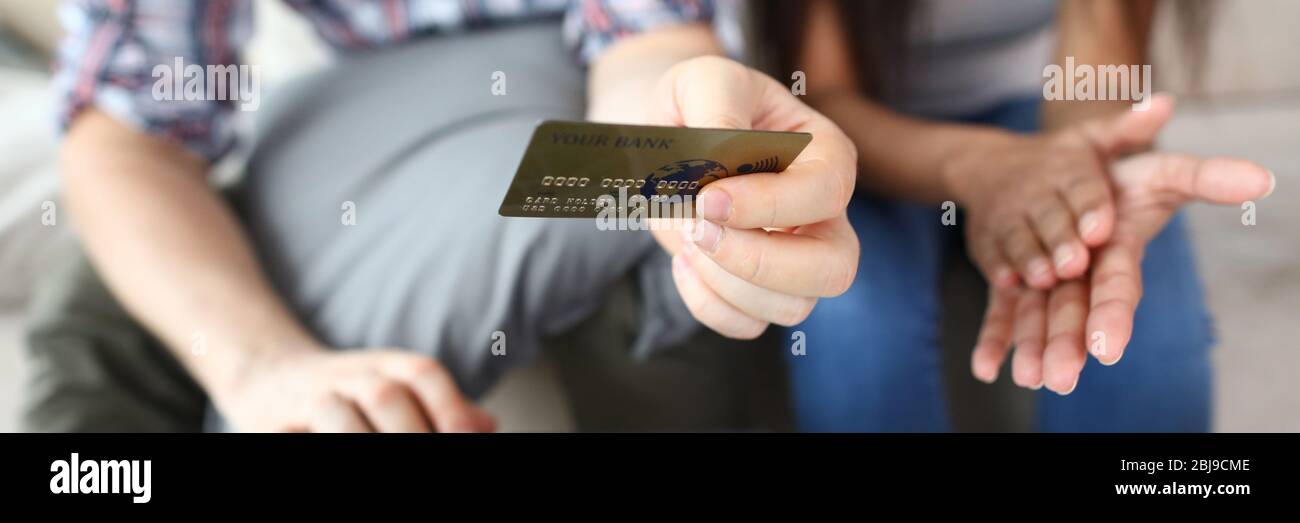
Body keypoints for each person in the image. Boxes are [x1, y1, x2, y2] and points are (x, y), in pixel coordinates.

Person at [28, 0, 855, 432]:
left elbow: (645, 42)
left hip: (561, 90)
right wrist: (263, 368)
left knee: (618, 276)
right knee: (89, 338)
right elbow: (128, 135)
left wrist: (682, 153)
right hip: (348, 119)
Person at [758, 0, 1275, 431]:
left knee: (1142, 321)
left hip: (1038, 97)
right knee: (856, 324)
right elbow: (824, 98)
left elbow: (1094, 69)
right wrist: (980, 168)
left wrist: (1080, 174)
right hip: (859, 128)